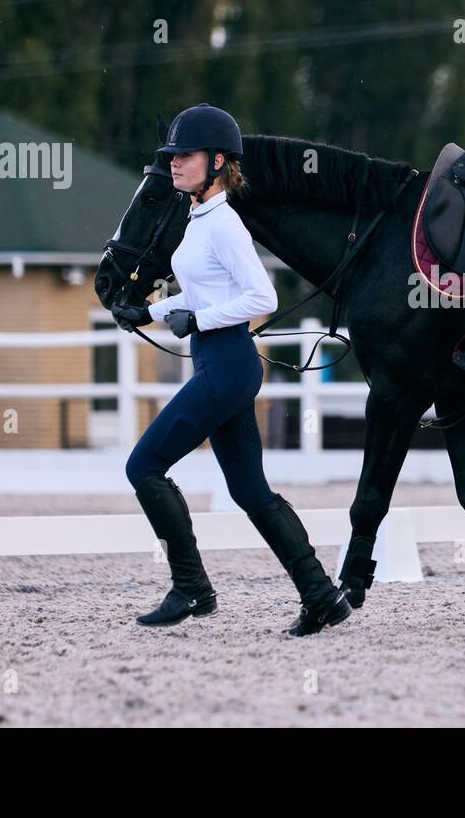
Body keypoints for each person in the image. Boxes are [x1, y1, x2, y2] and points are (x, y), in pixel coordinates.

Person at [110, 103, 351, 636]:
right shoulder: (196, 221)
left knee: (143, 466)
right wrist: (144, 312)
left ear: (217, 161)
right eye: (172, 156)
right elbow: (199, 295)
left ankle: (191, 587)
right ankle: (321, 596)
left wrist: (198, 318)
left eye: (185, 156)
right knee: (250, 491)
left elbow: (259, 295)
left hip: (228, 368)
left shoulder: (224, 224)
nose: (174, 164)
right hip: (220, 366)